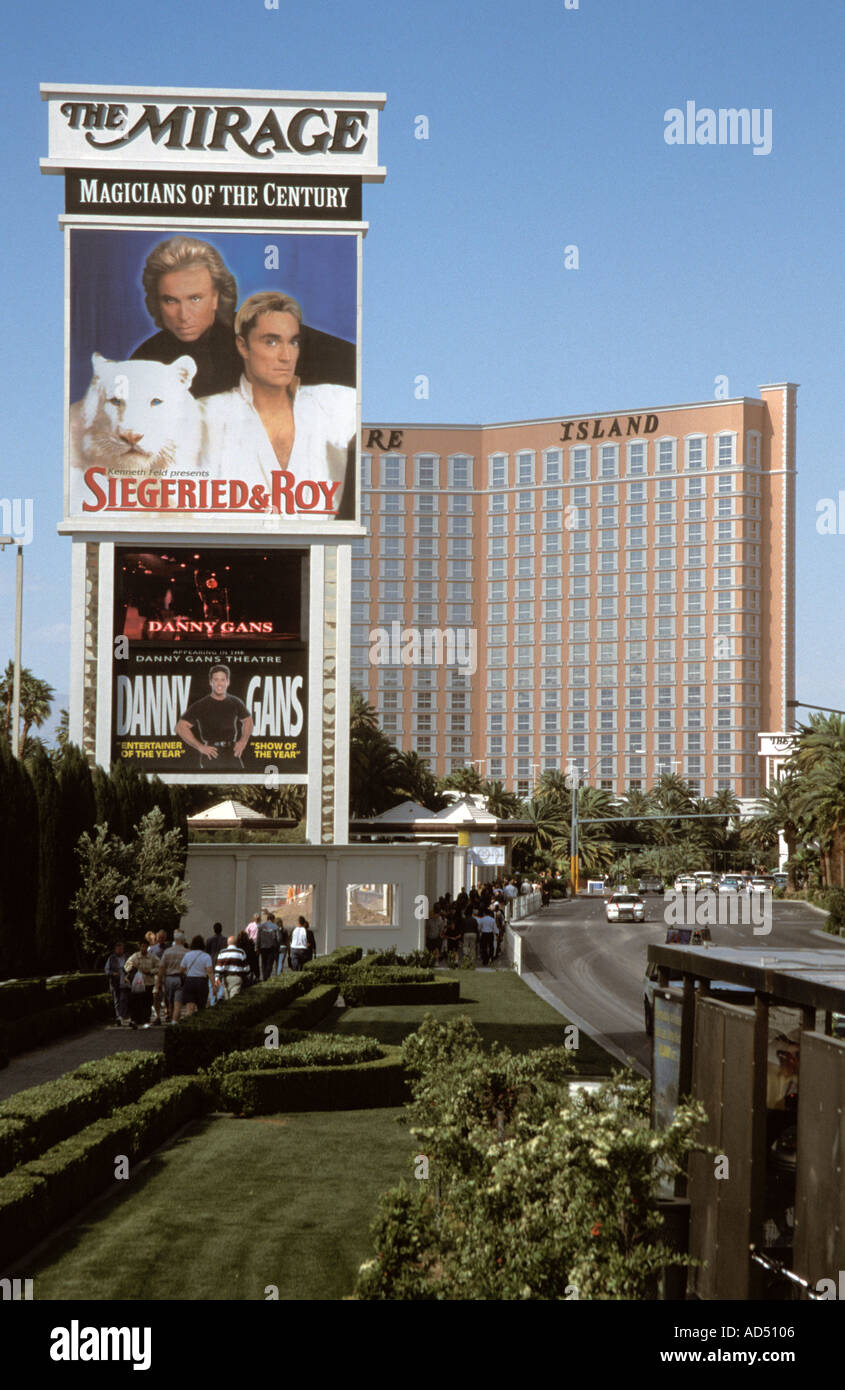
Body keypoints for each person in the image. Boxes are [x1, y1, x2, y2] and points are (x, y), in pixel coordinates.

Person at [201, 291, 356, 516]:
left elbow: (387, 413)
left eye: (293, 342)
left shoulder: (329, 404)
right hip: (235, 549)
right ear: (243, 346)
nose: (286, 356)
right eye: (271, 341)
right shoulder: (208, 413)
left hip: (316, 548)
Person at [131, 236, 243, 399]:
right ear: (157, 301)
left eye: (195, 298)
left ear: (215, 297)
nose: (183, 315)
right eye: (170, 300)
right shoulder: (145, 359)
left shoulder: (256, 335)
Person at [175, 664, 253, 770]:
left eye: (223, 680)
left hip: (232, 752)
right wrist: (200, 747)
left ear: (228, 682)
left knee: (239, 782)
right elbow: (180, 727)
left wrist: (243, 741)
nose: (219, 683)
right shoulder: (201, 704)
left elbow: (248, 720)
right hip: (212, 753)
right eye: (216, 680)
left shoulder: (235, 702)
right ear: (211, 682)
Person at [123, 939, 158, 1028]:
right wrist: (132, 966)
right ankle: (136, 1020)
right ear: (140, 947)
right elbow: (126, 967)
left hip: (148, 983)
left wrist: (150, 971)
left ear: (148, 947)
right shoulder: (135, 956)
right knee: (136, 1002)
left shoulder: (152, 957)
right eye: (142, 946)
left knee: (147, 1002)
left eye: (145, 946)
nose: (144, 948)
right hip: (137, 984)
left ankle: (146, 1019)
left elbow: (159, 967)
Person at [178, 935, 215, 1017]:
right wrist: (213, 985)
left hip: (190, 981)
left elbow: (181, 970)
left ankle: (188, 1026)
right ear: (202, 944)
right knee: (201, 1008)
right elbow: (210, 972)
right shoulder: (206, 956)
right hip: (202, 982)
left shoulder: (187, 955)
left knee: (189, 1008)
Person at [157, 930, 188, 1024]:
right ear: (182, 940)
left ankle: (171, 1017)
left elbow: (162, 968)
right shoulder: (186, 952)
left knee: (170, 1001)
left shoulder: (167, 952)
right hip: (180, 978)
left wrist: (159, 981)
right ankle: (175, 1020)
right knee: (178, 1001)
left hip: (168, 979)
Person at [214, 935, 250, 1000]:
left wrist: (217, 980)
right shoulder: (241, 952)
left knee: (226, 1000)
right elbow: (246, 968)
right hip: (237, 978)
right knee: (234, 999)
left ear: (228, 943)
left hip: (224, 978)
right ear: (236, 943)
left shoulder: (222, 952)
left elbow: (218, 969)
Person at [205, 921, 227, 1006]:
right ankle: (220, 995)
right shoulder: (225, 940)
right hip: (221, 962)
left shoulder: (209, 940)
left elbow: (206, 952)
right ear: (221, 930)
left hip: (212, 962)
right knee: (219, 979)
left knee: (211, 982)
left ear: (214, 930)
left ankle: (212, 1000)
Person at [104, 941, 125, 1026]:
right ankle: (118, 1017)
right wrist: (113, 973)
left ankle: (122, 1015)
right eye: (118, 949)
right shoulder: (111, 958)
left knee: (123, 999)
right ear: (115, 950)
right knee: (117, 1000)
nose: (119, 951)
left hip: (125, 981)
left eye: (121, 949)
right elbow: (106, 970)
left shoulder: (126, 957)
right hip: (115, 982)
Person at [258, 913, 280, 981]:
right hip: (271, 947)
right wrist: (278, 947)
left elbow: (258, 938)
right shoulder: (275, 927)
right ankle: (267, 976)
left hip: (263, 947)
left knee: (263, 963)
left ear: (267, 918)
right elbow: (278, 938)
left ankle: (264, 976)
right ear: (273, 919)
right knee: (270, 963)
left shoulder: (261, 926)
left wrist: (257, 947)